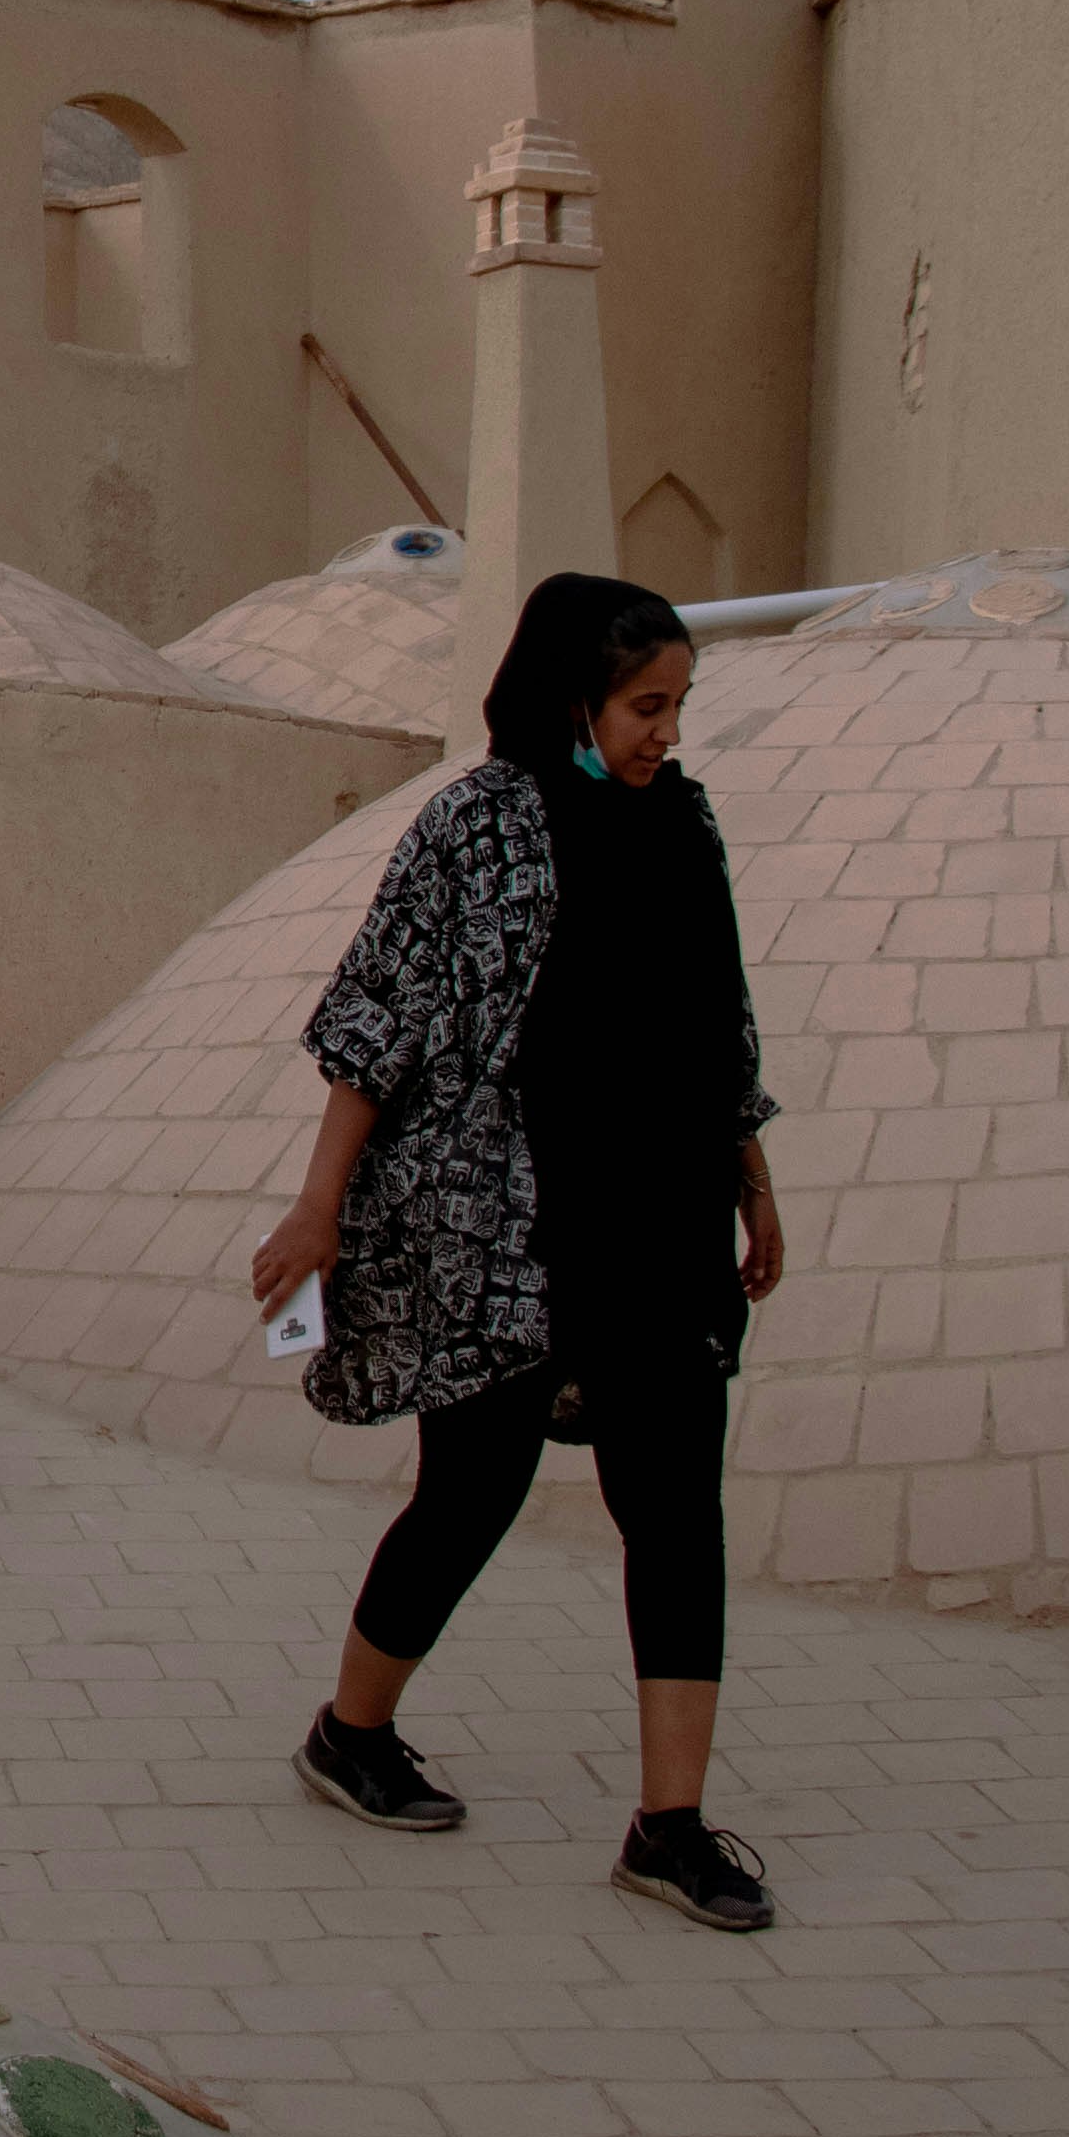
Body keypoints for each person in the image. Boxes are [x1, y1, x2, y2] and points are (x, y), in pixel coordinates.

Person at [244, 571, 787, 1928]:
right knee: (472, 1493)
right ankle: (350, 1731)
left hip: (665, 1225)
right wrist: (318, 1207)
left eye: (678, 705)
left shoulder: (688, 825)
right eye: (645, 706)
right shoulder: (475, 826)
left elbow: (721, 1021)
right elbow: (380, 1020)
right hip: (507, 1223)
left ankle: (670, 1826)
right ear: (572, 698)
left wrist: (754, 1183)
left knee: (676, 1513)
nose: (667, 732)